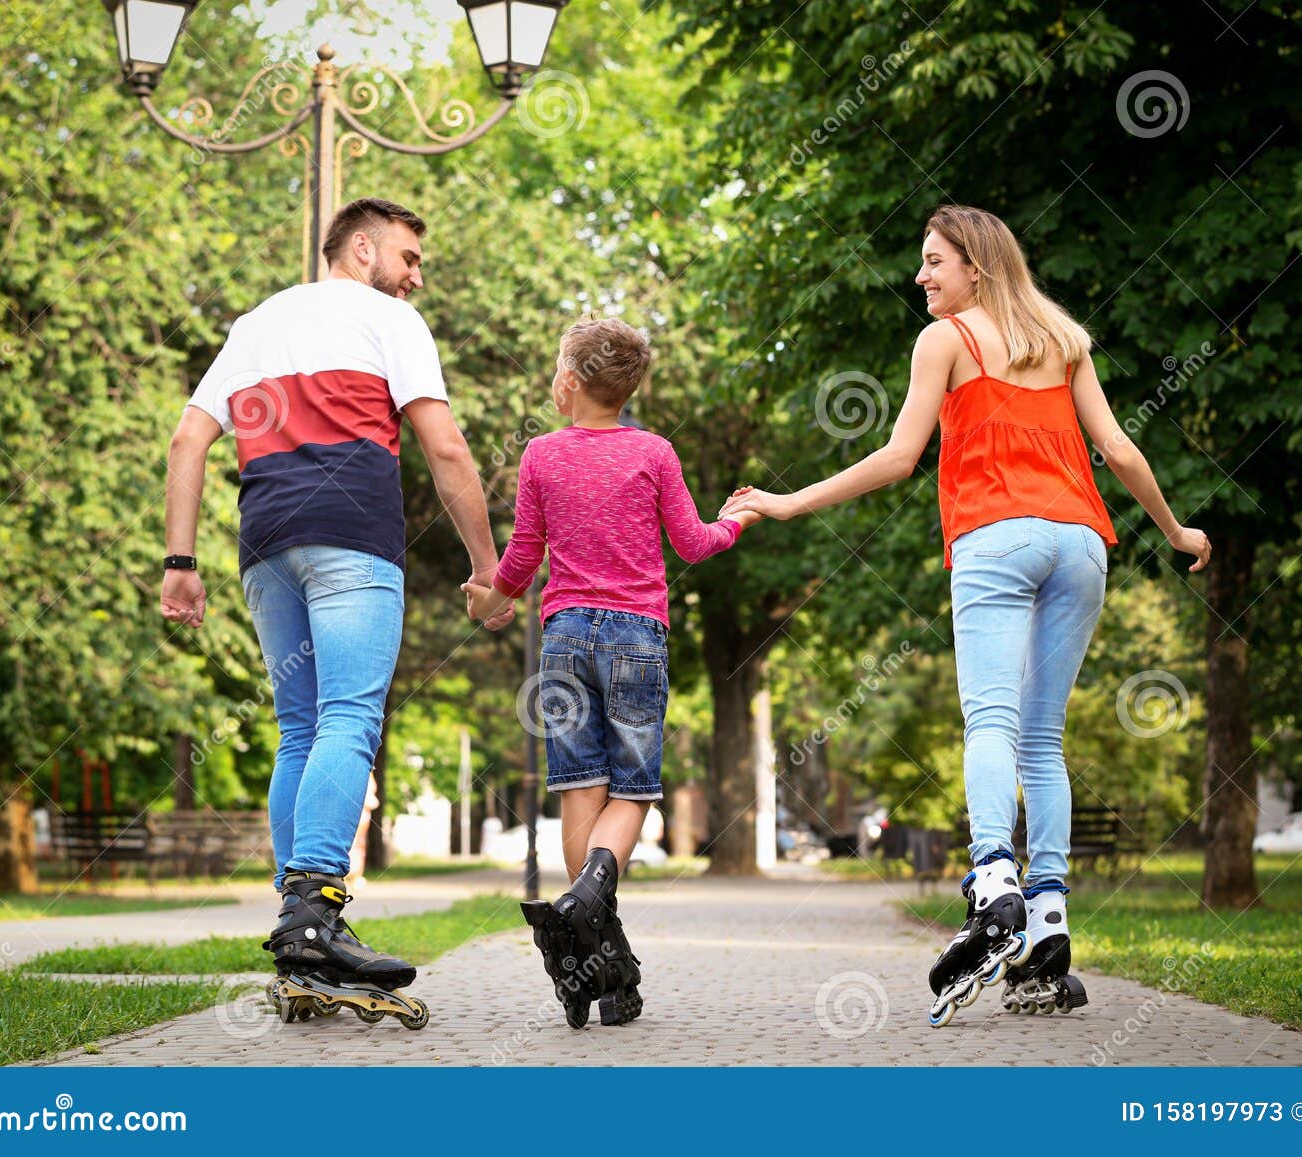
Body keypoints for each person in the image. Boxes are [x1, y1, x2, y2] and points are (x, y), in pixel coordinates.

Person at [719, 204, 1210, 1024]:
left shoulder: (945, 340)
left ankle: (994, 880)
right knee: (1042, 736)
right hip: (1084, 543)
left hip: (996, 539)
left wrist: (787, 501)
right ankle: (1048, 924)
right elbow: (1119, 450)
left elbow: (898, 458)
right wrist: (1176, 530)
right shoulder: (1064, 339)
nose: (922, 276)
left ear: (975, 267)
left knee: (989, 720)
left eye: (934, 261)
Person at [159, 196, 510, 1028]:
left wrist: (180, 563)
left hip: (266, 545)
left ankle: (297, 923)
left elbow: (186, 440)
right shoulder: (386, 320)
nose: (416, 276)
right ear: (360, 247)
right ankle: (315, 910)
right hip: (351, 538)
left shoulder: (254, 324)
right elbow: (447, 447)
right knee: (350, 721)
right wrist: (489, 565)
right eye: (408, 258)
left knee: (300, 727)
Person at [464, 317, 758, 1029]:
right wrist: (737, 521)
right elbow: (692, 541)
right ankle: (592, 919)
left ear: (569, 380)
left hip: (563, 639)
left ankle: (594, 965)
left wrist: (489, 595)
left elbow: (522, 558)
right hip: (636, 637)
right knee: (633, 790)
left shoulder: (539, 455)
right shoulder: (655, 452)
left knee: (578, 794)